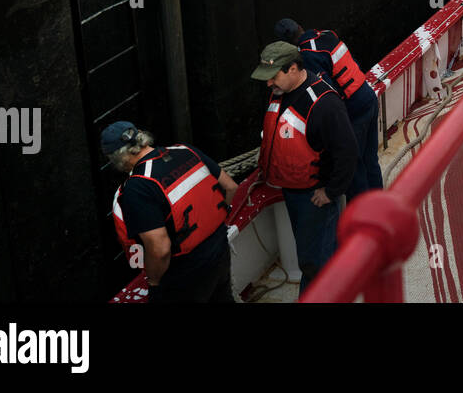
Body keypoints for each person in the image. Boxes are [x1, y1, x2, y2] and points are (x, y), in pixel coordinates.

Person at [252, 40, 358, 294]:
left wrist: (331, 192)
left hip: (313, 197)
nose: (268, 84)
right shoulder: (280, 93)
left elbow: (348, 151)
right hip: (291, 190)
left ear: (293, 68)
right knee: (310, 252)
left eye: (273, 77)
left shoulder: (324, 104)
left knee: (316, 262)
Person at [103, 121, 238, 303]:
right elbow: (231, 187)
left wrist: (154, 281)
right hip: (220, 248)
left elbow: (160, 248)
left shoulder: (138, 187)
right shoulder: (185, 150)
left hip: (188, 271)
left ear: (118, 157)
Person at [274, 18, 384, 198]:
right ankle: (380, 202)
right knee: (370, 159)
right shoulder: (326, 35)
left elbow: (327, 93)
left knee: (354, 169)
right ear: (300, 27)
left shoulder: (308, 56)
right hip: (368, 97)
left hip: (355, 112)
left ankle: (364, 215)